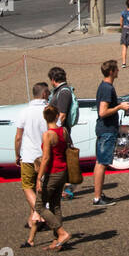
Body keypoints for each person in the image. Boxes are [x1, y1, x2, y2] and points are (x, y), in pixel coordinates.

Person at [27, 105, 72, 250]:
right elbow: (69, 148)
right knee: (55, 205)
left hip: (52, 173)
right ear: (58, 116)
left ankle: (61, 233)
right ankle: (57, 239)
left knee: (39, 206)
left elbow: (45, 158)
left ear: (45, 118)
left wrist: (39, 177)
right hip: (63, 171)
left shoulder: (48, 135)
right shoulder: (63, 131)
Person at [92, 60, 129, 206]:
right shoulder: (107, 88)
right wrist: (120, 107)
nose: (118, 72)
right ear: (111, 72)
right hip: (106, 129)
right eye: (116, 69)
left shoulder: (105, 87)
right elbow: (103, 112)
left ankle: (99, 193)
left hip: (105, 129)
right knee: (102, 163)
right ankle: (97, 197)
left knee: (99, 162)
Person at [14, 82, 50, 229]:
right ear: (43, 94)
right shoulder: (49, 110)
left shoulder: (24, 112)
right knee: (42, 187)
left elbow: (18, 137)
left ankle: (39, 214)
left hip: (28, 155)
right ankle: (35, 216)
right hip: (45, 155)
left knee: (27, 187)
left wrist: (17, 154)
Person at [47, 66, 79, 200]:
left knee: (62, 159)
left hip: (61, 131)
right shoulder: (62, 90)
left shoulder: (63, 92)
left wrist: (55, 130)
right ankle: (63, 188)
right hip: (61, 130)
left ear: (53, 80)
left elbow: (62, 115)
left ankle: (65, 189)